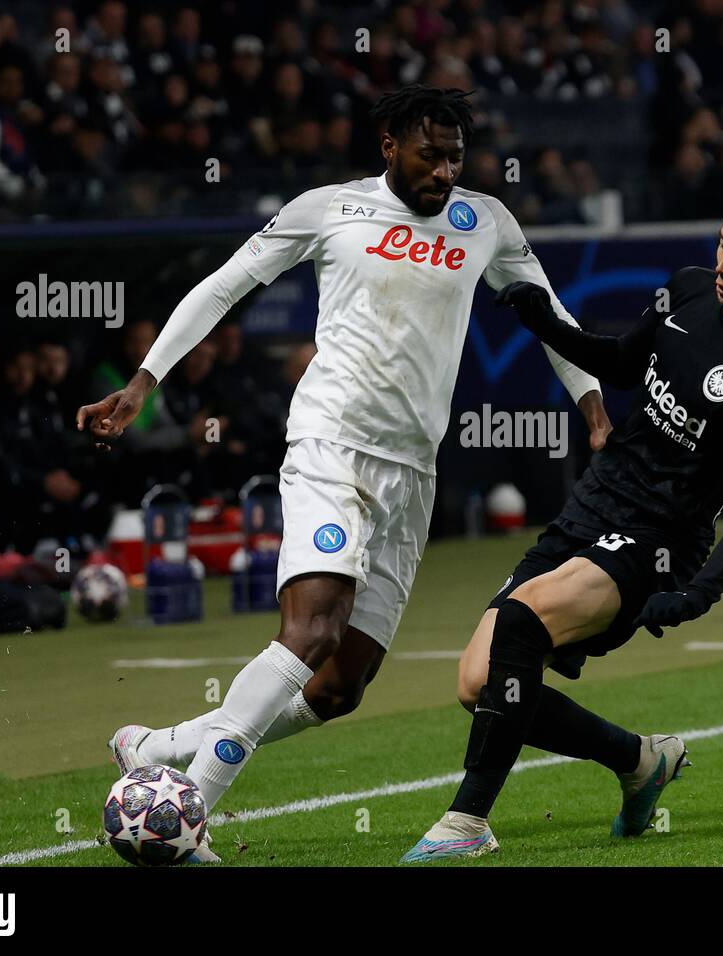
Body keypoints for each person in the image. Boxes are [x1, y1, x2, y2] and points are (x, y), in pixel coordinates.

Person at [80, 85, 610, 862]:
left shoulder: (485, 222)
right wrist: (142, 381)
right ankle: (188, 821)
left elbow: (551, 316)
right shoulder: (330, 209)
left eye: (455, 157)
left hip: (412, 472)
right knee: (314, 628)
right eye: (429, 155)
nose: (443, 172)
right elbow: (227, 283)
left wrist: (594, 407)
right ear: (389, 146)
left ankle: (155, 749)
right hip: (331, 445)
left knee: (338, 687)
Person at [402, 177, 723, 861]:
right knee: (480, 682)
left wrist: (697, 595)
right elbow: (625, 361)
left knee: (521, 621)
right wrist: (546, 322)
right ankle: (639, 760)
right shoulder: (690, 288)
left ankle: (467, 822)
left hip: (659, 542)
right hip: (595, 503)